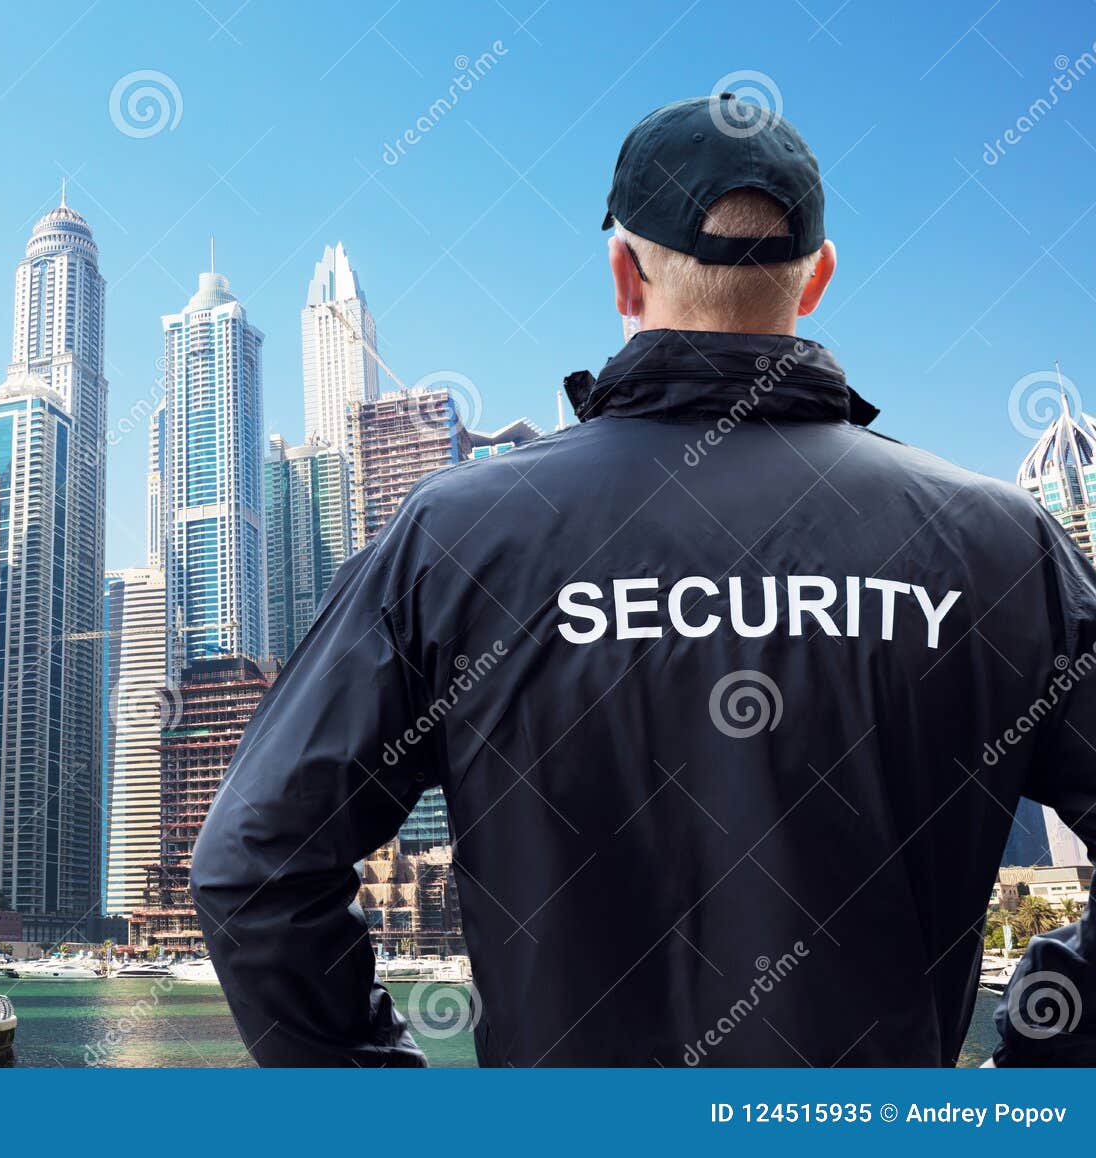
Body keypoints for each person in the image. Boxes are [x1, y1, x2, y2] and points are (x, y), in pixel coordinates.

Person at [190, 94, 1096, 1066]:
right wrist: (1043, 1058)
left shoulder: (456, 534)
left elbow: (254, 866)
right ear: (818, 276)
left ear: (624, 272)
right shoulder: (999, 544)